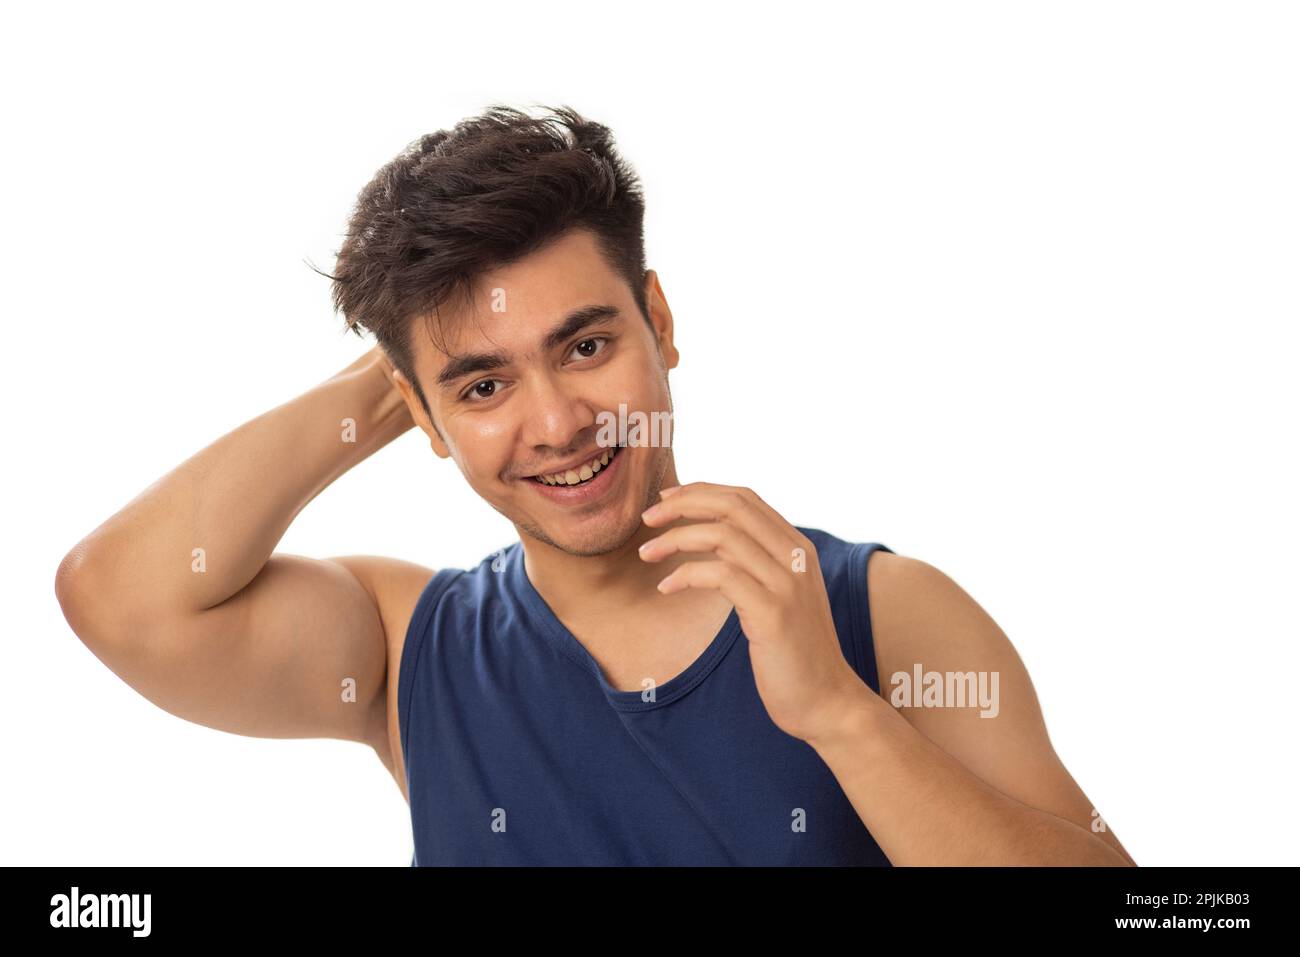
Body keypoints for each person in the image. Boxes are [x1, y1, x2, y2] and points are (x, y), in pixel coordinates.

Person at [54, 103, 1135, 866]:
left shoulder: (882, 612)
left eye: (583, 347)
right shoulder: (404, 651)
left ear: (658, 322)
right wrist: (409, 382)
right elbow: (121, 595)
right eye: (484, 387)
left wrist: (841, 716)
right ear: (421, 413)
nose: (560, 424)